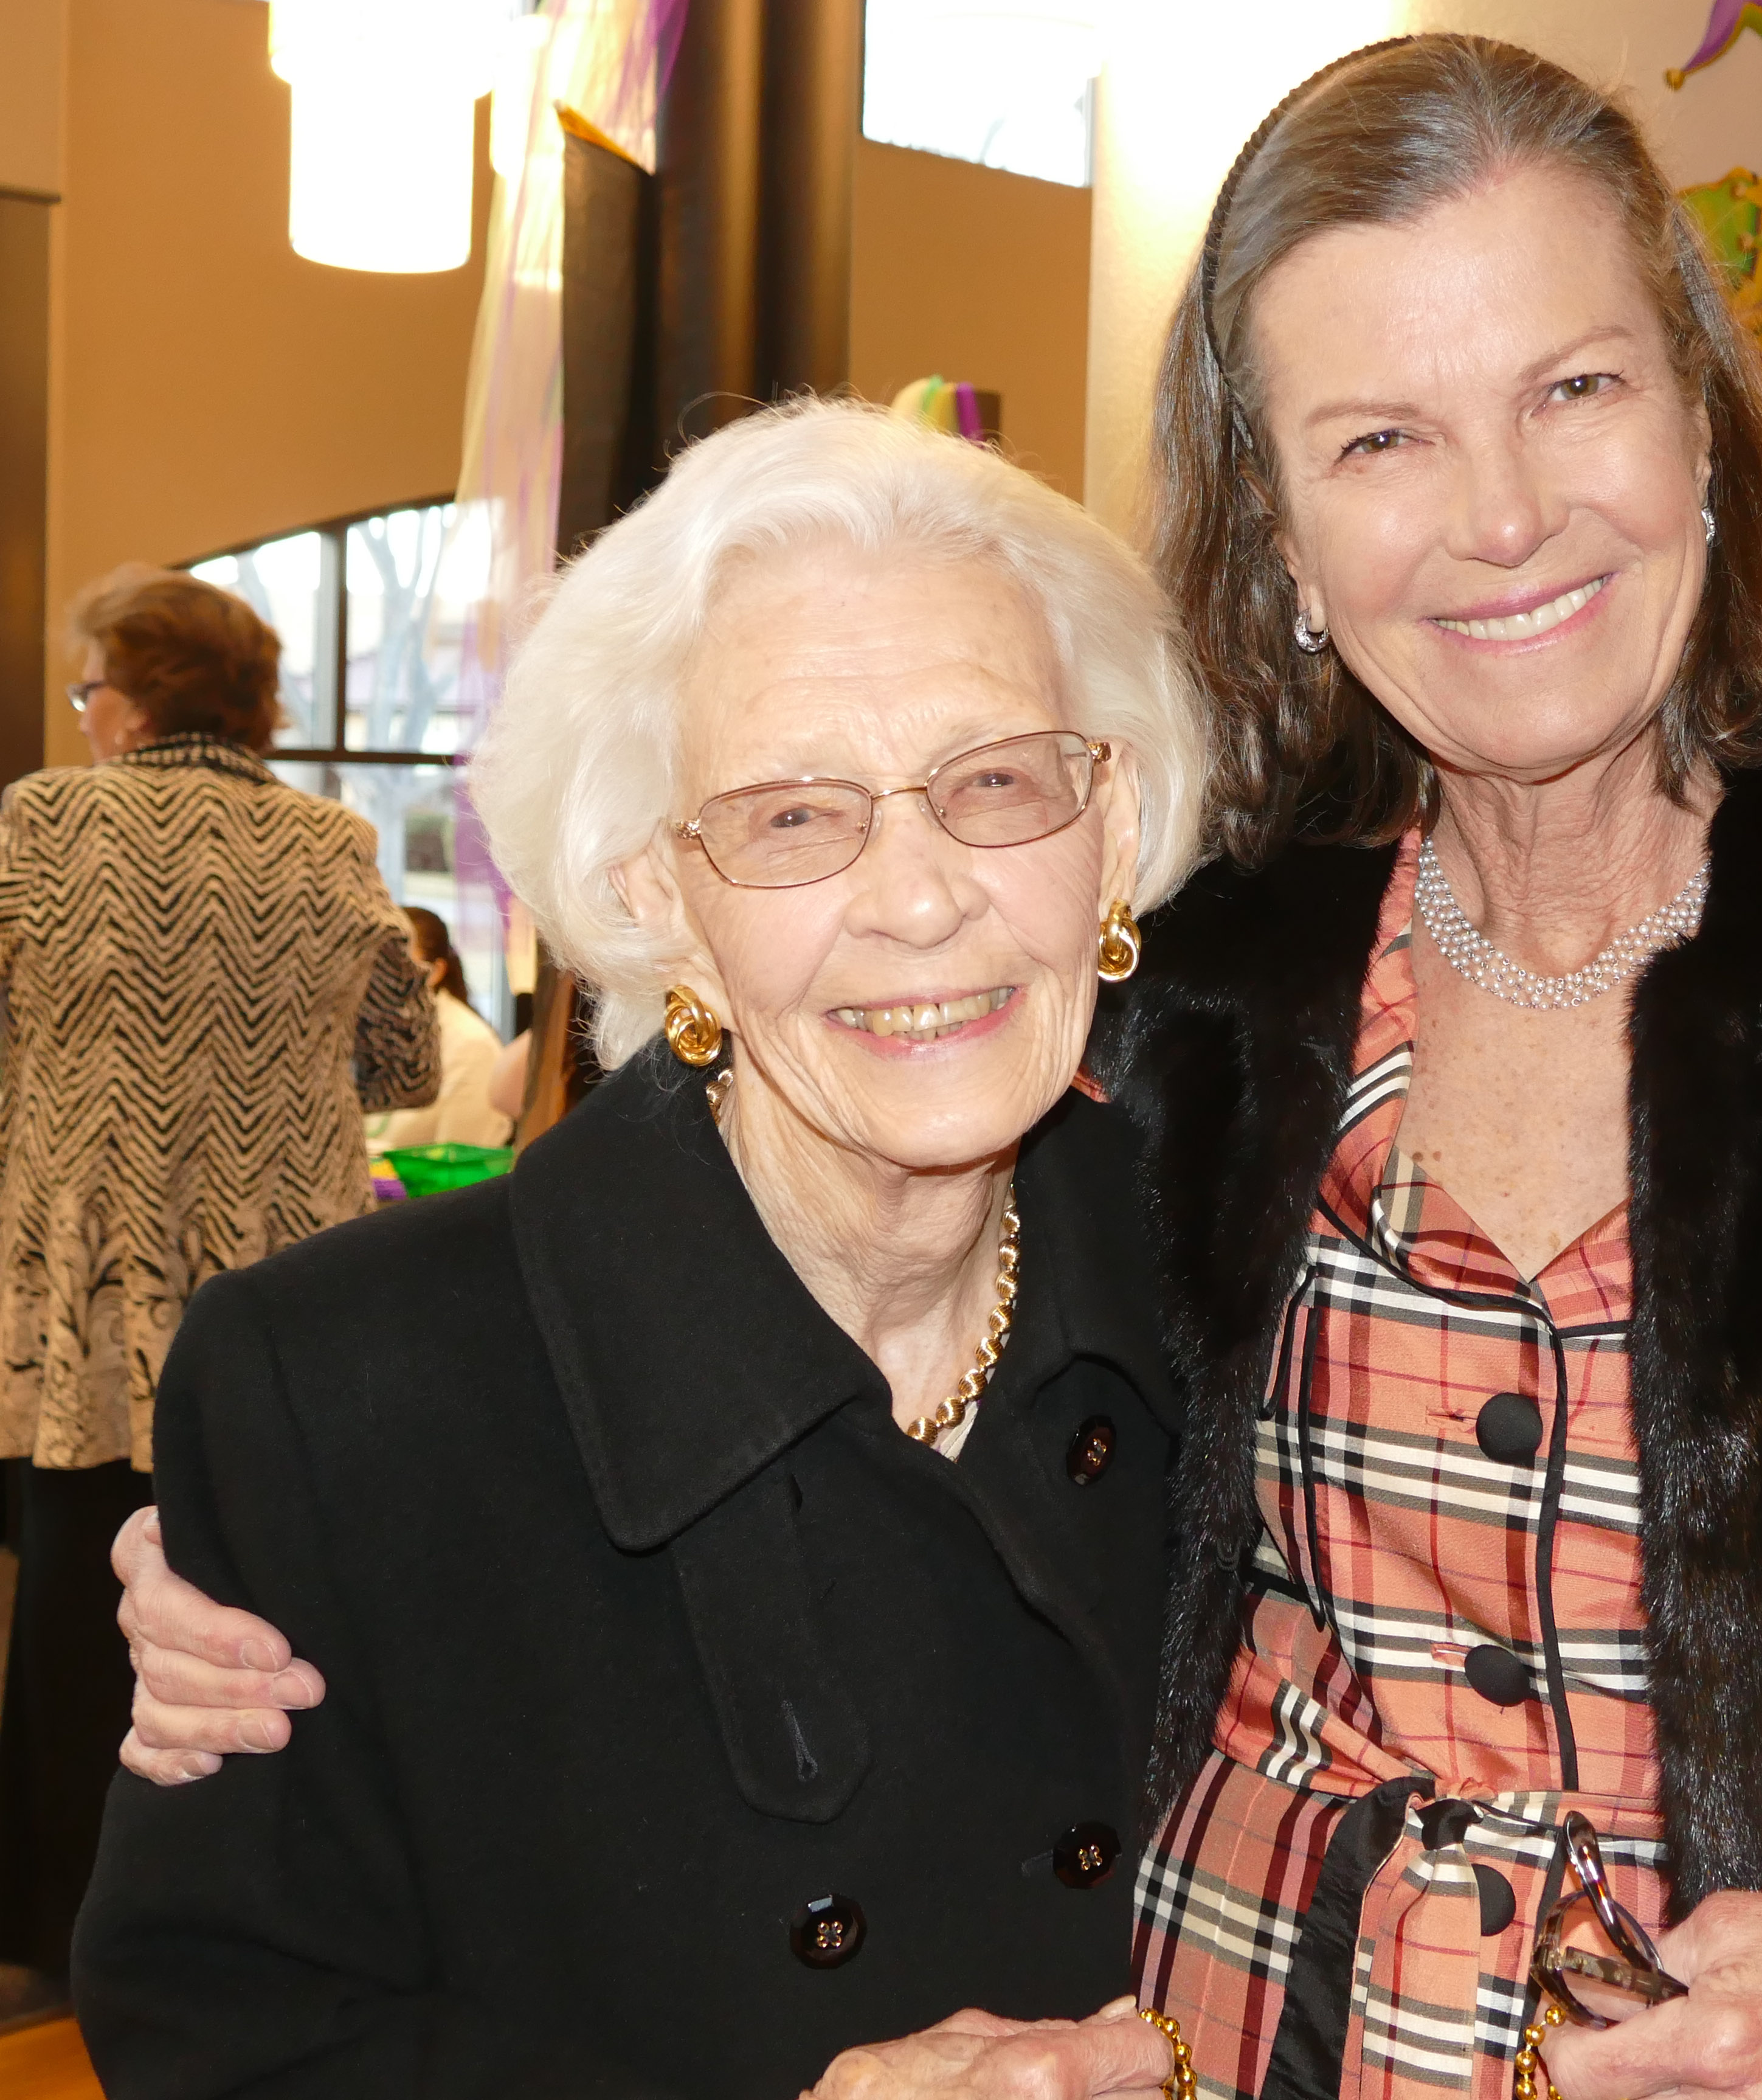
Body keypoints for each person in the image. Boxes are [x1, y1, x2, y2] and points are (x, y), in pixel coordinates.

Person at [112, 36, 1762, 2100]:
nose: (1497, 514)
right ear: (1279, 537)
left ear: (1695, 414)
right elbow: (768, 1222)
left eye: (1571, 388)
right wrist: (304, 1517)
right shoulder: (1183, 987)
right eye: (1376, 437)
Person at [73, 400, 1206, 2099]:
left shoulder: (1246, 1288)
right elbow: (225, 2038)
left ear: (1108, 831)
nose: (921, 896)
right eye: (792, 817)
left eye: (994, 782)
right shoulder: (347, 1387)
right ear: (652, 891)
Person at [0, 568, 440, 2008]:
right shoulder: (333, 844)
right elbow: (410, 1070)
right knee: (261, 1612)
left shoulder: (41, 824)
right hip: (280, 1294)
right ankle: (259, 1915)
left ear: (126, 704)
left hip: (90, 1291)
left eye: (89, 695)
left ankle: (57, 1931)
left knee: (75, 1610)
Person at [367, 907, 514, 1153]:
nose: (378, 976)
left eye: (394, 962)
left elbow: (457, 1163)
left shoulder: (471, 1045)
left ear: (435, 972)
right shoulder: (370, 1031)